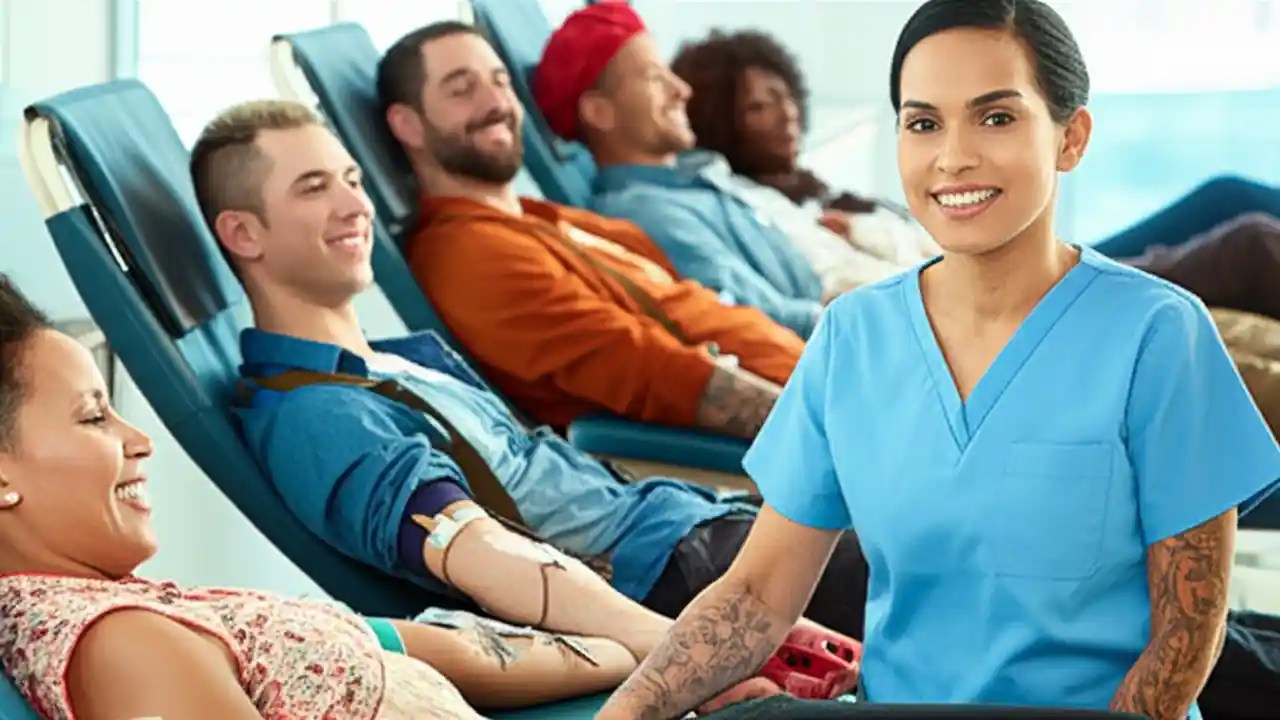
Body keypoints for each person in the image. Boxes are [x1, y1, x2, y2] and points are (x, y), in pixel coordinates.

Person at [597, 2, 1280, 720]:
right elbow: (756, 596)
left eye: (996, 118)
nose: (953, 156)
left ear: (1070, 136)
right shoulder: (854, 337)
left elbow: (1187, 634)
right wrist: (628, 713)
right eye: (923, 123)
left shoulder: (1159, 335)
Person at [190, 99, 870, 648]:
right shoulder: (319, 414)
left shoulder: (400, 360)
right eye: (313, 189)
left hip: (706, 529)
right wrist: (690, 650)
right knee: (953, 572)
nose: (354, 206)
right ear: (245, 235)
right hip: (677, 578)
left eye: (353, 181)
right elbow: (488, 559)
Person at [0, 272, 640, 719]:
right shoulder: (123, 643)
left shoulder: (157, 607)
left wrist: (657, 657)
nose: (141, 441)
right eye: (93, 418)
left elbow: (449, 650)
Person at [671, 28, 1280, 319]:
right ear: (721, 121)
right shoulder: (760, 209)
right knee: (1251, 244)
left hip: (1024, 259)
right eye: (757, 106)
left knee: (1227, 197)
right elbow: (849, 288)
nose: (786, 115)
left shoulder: (816, 190)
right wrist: (861, 234)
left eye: (785, 96)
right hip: (990, 287)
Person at [379, 22, 804, 438]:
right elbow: (648, 370)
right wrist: (824, 423)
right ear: (407, 125)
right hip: (784, 426)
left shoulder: (548, 220)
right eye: (461, 89)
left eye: (500, 81)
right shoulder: (469, 256)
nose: (497, 102)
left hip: (813, 378)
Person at [531, 1, 895, 335]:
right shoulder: (646, 212)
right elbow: (760, 319)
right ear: (599, 112)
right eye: (654, 77)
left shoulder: (698, 177)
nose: (681, 90)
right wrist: (886, 312)